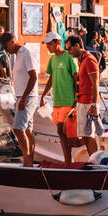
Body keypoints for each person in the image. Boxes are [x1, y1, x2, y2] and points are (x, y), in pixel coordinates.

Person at [39, 33, 79, 165]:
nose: (48, 47)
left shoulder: (69, 57)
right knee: (61, 133)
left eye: (49, 44)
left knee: (65, 132)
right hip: (57, 101)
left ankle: (69, 161)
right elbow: (51, 78)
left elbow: (76, 78)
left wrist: (76, 99)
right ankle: (67, 161)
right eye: (47, 44)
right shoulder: (52, 60)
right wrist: (44, 95)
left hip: (68, 100)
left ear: (57, 42)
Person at [3, 33, 39, 167]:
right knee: (28, 130)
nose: (5, 50)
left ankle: (28, 162)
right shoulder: (18, 55)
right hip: (23, 96)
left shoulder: (26, 53)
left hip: (27, 97)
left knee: (18, 129)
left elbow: (34, 76)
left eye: (5, 46)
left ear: (12, 41)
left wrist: (23, 98)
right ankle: (29, 161)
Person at [67, 34, 103, 157]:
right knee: (86, 134)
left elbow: (95, 83)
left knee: (89, 135)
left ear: (77, 45)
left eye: (69, 48)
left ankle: (96, 161)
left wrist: (93, 104)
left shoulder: (89, 59)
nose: (68, 52)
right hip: (83, 101)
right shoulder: (81, 59)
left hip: (88, 102)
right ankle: (93, 159)